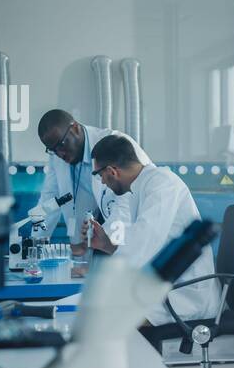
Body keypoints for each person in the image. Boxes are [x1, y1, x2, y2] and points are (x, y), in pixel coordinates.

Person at [82, 133, 221, 326]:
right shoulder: (141, 188)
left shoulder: (162, 183)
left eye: (99, 175)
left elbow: (145, 241)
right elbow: (144, 246)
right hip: (167, 285)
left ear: (112, 171)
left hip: (184, 293)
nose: (102, 182)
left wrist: (102, 275)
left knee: (108, 318)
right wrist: (107, 245)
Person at [34, 109, 154, 248]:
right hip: (90, 242)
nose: (60, 154)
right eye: (53, 150)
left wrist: (106, 241)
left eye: (61, 144)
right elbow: (49, 199)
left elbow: (125, 201)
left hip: (123, 238)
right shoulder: (57, 155)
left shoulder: (114, 143)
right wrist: (35, 242)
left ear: (75, 128)